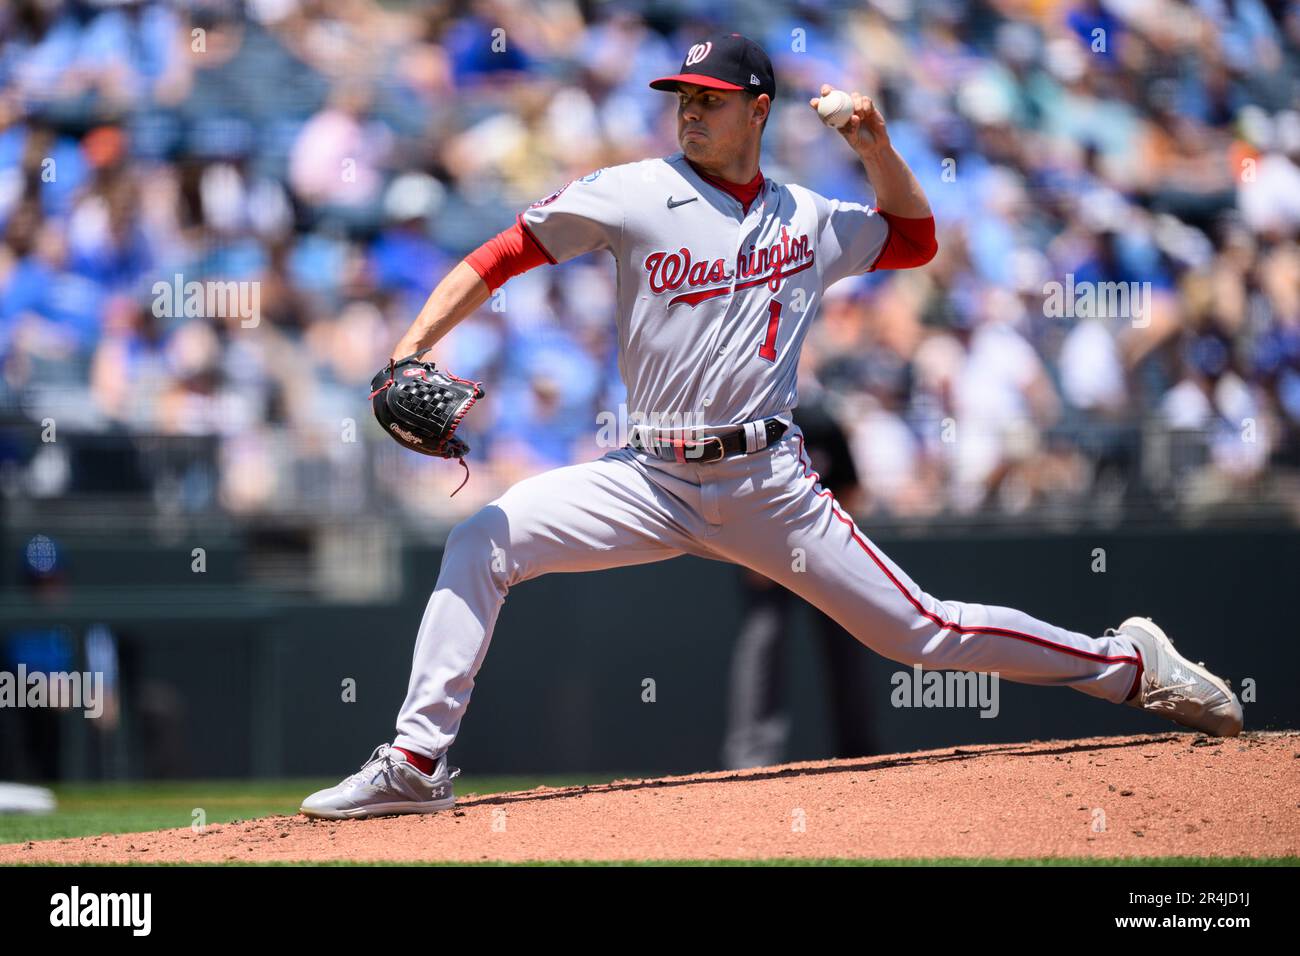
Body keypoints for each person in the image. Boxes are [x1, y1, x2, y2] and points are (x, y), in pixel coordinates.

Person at [300, 33, 1242, 820]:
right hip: (649, 479)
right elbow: (501, 254)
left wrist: (875, 142)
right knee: (482, 539)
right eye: (683, 98)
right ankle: (417, 764)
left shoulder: (808, 218)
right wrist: (408, 348)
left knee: (924, 634)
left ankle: (1129, 664)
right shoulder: (631, 191)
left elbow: (914, 240)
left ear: (759, 109)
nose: (691, 112)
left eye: (711, 99)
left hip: (768, 488)